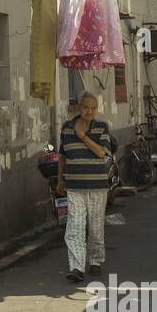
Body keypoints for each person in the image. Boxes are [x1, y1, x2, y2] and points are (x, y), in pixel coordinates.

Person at [57, 92, 114, 283]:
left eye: (93, 108)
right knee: (75, 226)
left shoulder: (102, 128)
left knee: (96, 226)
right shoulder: (66, 128)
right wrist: (60, 179)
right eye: (86, 107)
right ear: (79, 107)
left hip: (97, 186)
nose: (89, 111)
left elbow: (101, 153)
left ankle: (96, 260)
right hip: (74, 185)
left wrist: (82, 136)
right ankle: (77, 267)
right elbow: (62, 156)